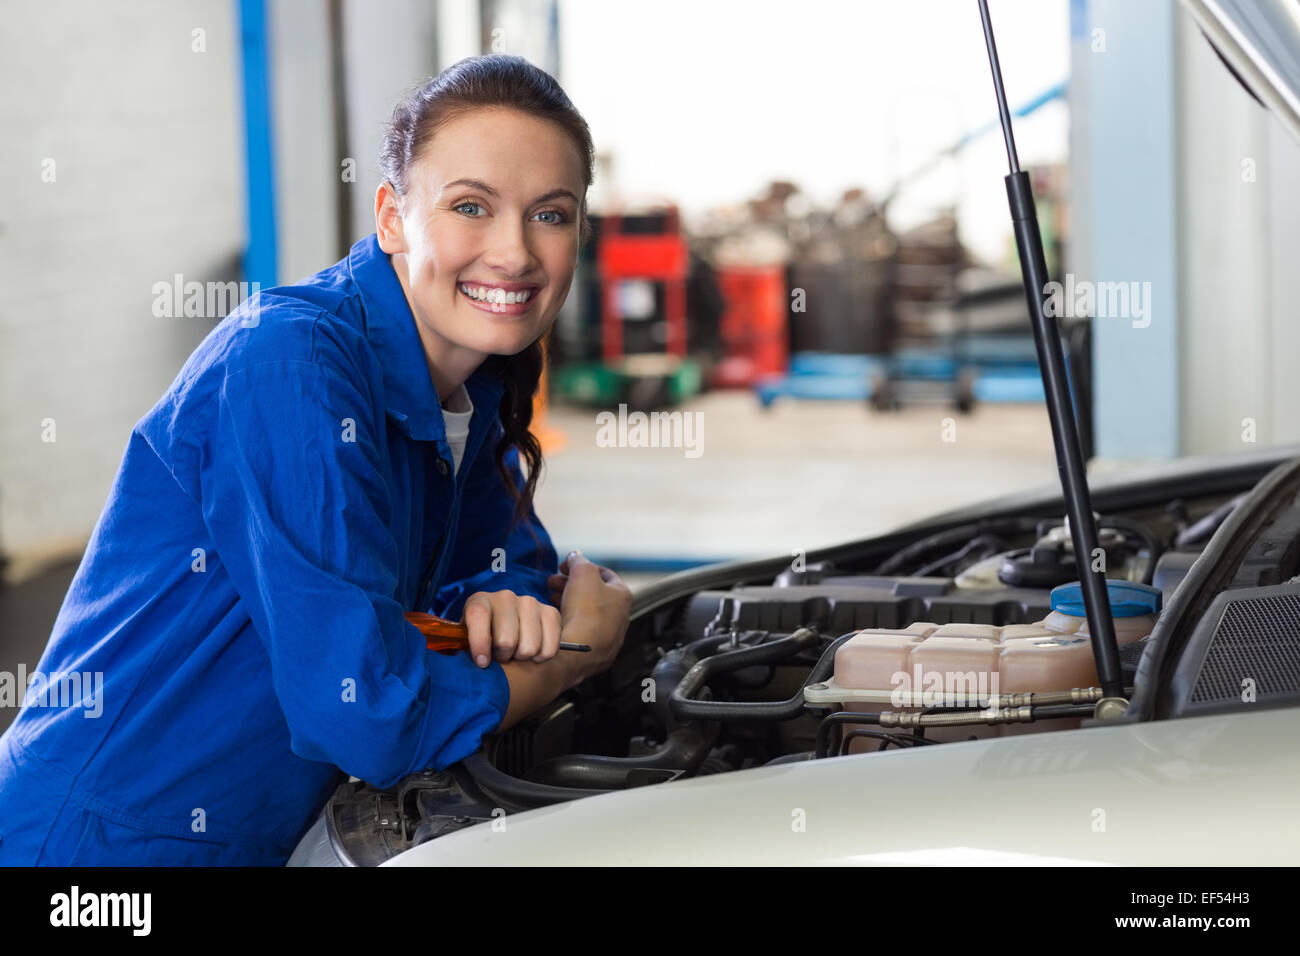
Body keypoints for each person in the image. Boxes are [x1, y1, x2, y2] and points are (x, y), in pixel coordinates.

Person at [0, 54, 631, 866]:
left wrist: (508, 601)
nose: (513, 252)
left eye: (550, 214)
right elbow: (364, 712)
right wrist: (571, 658)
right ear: (393, 218)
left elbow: (509, 557)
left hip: (256, 835)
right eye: (470, 206)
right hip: (95, 852)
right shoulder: (291, 366)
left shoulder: (475, 372)